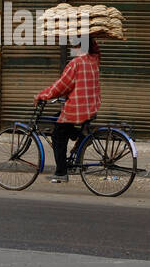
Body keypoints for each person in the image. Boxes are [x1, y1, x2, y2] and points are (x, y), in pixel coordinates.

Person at [34, 37, 101, 183]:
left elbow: (61, 86)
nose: (72, 46)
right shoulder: (94, 60)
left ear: (79, 45)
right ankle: (81, 136)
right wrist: (88, 36)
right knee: (59, 118)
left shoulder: (75, 64)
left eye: (74, 44)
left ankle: (61, 172)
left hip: (78, 108)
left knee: (57, 134)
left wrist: (42, 95)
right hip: (91, 106)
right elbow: (96, 50)